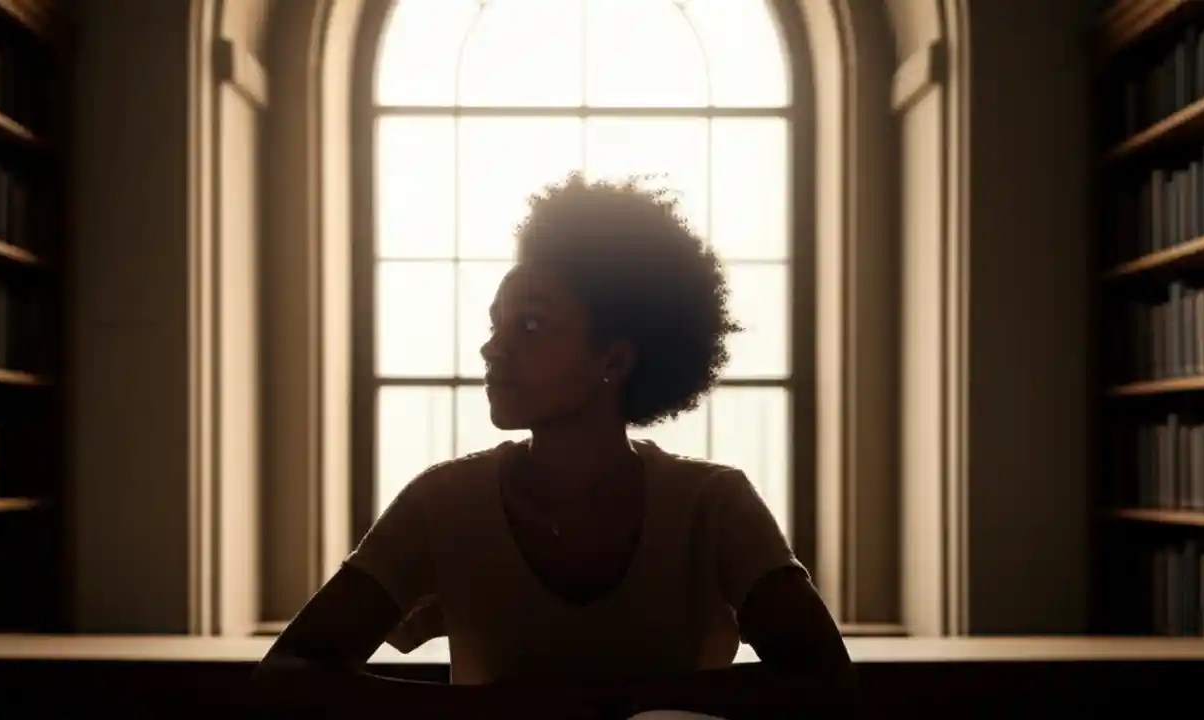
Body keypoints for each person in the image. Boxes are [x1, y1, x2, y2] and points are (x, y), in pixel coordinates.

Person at [255, 174, 857, 719]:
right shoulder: (444, 502)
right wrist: (492, 713)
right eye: (497, 325)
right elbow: (288, 676)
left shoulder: (714, 505)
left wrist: (620, 703)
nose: (493, 349)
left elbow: (825, 681)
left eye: (531, 325)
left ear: (613, 359)